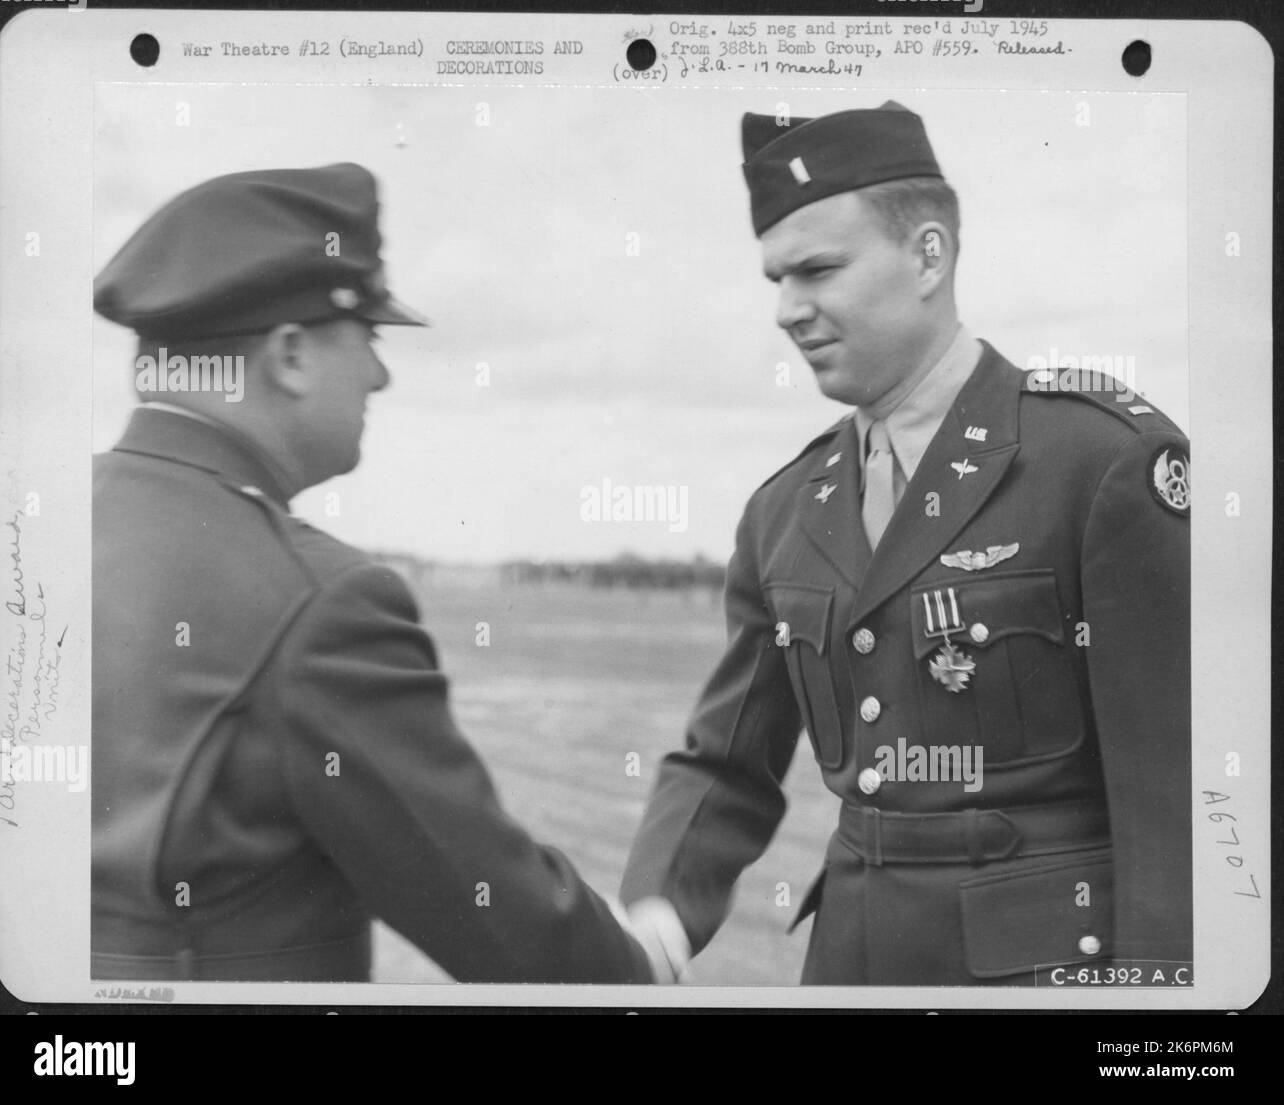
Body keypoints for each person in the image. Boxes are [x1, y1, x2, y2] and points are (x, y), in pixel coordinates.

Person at [620, 103, 1192, 985]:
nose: (786, 310)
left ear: (929, 254)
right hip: (850, 967)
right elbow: (728, 758)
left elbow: (1176, 797)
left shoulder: (1099, 461)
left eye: (817, 270)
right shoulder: (784, 510)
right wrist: (654, 919)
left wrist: (1165, 1026)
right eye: (776, 278)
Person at [91, 162, 671, 984]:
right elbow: (511, 933)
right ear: (290, 355)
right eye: (368, 335)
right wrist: (633, 962)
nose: (380, 373)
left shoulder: (34, 531)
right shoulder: (320, 604)